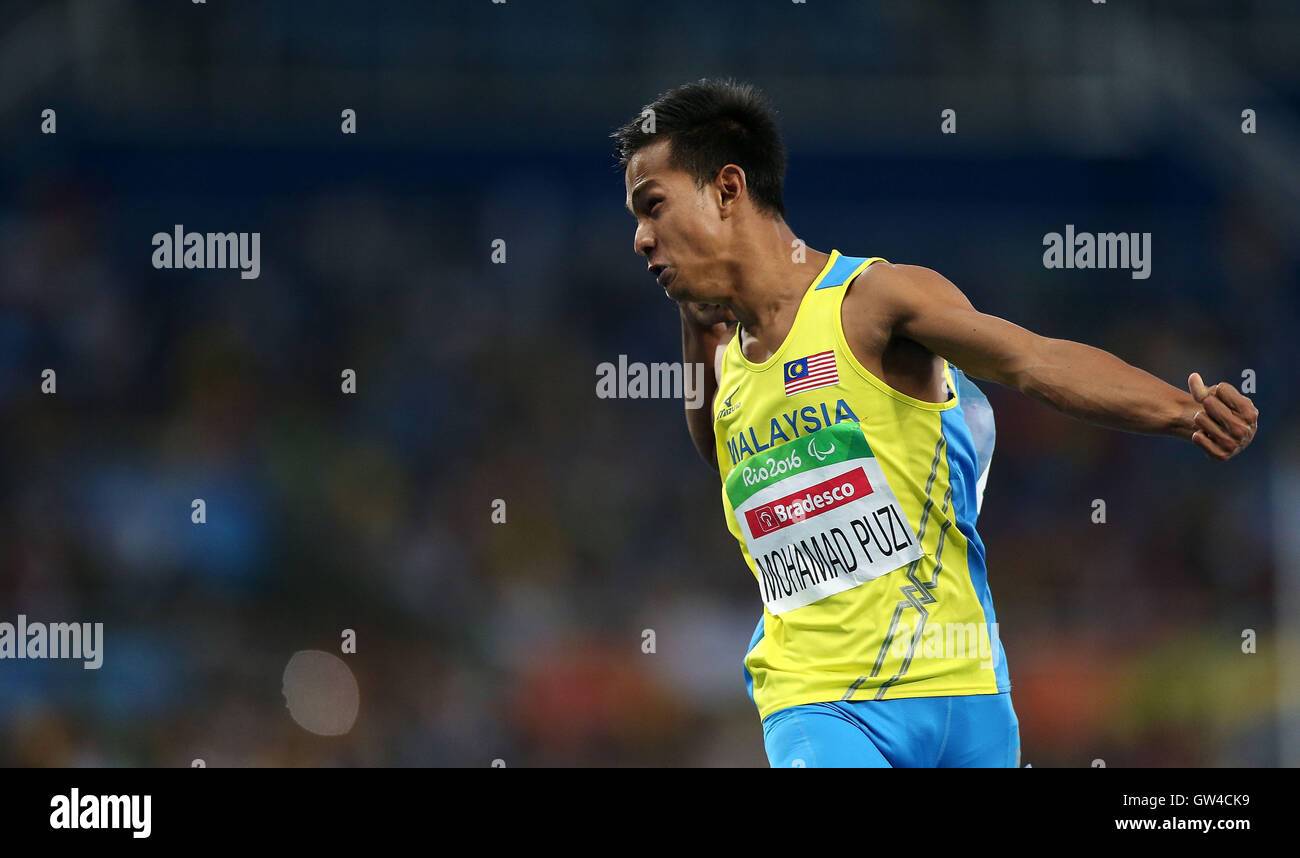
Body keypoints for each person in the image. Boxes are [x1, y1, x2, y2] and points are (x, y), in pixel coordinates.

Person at [611, 79, 1259, 767]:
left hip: (967, 693)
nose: (640, 239)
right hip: (819, 703)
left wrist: (1182, 411)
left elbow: (1031, 361)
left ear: (727, 188)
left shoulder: (873, 302)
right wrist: (696, 320)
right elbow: (724, 457)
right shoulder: (725, 363)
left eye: (653, 207)